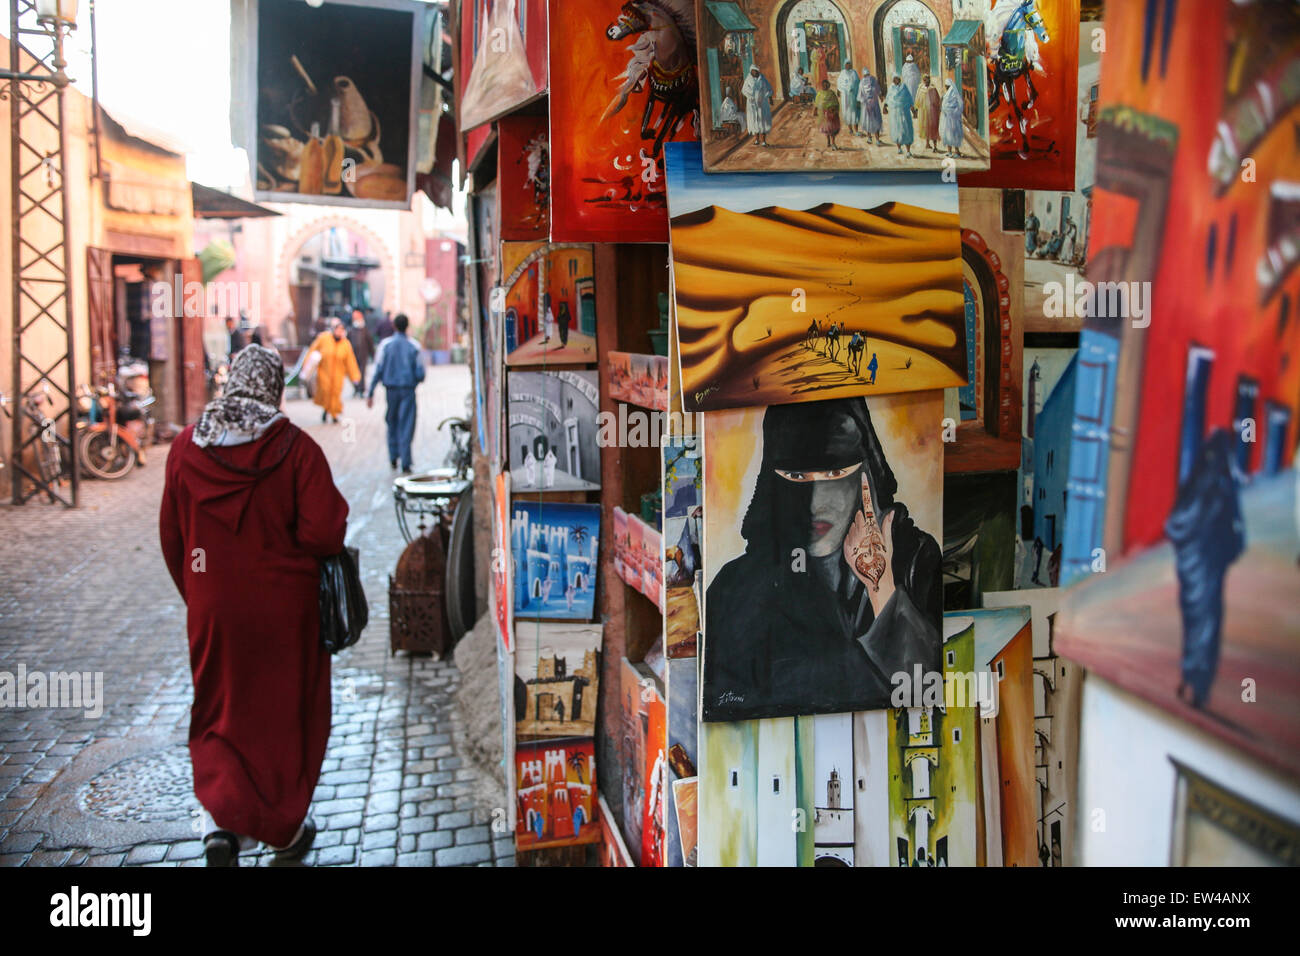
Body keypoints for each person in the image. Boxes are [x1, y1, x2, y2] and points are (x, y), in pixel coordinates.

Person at [159, 344, 347, 866]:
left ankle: (220, 828)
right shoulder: (295, 448)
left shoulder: (184, 448)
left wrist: (201, 597)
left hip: (215, 611)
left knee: (221, 711)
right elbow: (324, 532)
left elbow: (175, 542)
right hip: (285, 614)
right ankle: (283, 831)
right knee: (282, 716)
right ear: (274, 388)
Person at [702, 398, 942, 721]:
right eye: (797, 477)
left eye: (833, 473)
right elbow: (728, 708)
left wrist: (882, 589)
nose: (815, 502)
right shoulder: (735, 590)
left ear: (866, 476)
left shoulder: (914, 563)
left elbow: (926, 691)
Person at [1166, 429, 1245, 710]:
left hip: (1202, 567)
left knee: (1201, 625)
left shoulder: (1209, 487)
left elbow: (1177, 524)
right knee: (1202, 625)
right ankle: (1194, 680)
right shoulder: (1217, 489)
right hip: (1203, 567)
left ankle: (1196, 683)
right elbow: (1177, 523)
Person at [367, 313, 425, 472]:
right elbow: (421, 373)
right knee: (406, 424)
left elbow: (377, 370)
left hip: (391, 391)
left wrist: (370, 392)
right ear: (407, 326)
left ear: (394, 326)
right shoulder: (414, 346)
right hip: (407, 390)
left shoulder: (385, 345)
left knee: (392, 422)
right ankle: (405, 461)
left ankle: (393, 457)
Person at [307, 318, 361, 424]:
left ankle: (334, 414)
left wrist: (355, 376)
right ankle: (327, 410)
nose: (339, 332)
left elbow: (350, 361)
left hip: (338, 374)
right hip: (324, 372)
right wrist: (307, 366)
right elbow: (312, 350)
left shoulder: (345, 344)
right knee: (326, 391)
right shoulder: (324, 339)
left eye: (341, 330)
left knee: (336, 393)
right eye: (338, 329)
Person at [742, 66, 773, 146]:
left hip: (762, 104)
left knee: (763, 121)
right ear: (751, 71)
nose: (755, 73)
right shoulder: (748, 80)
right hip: (752, 104)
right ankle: (756, 140)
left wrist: (765, 97)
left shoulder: (763, 79)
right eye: (753, 71)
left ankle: (763, 141)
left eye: (756, 71)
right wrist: (750, 97)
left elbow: (770, 90)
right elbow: (744, 90)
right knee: (754, 121)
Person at [346, 309, 374, 398]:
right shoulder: (351, 330)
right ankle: (356, 388)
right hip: (353, 355)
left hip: (363, 355)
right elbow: (347, 343)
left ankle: (361, 389)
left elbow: (370, 343)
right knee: (353, 373)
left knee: (362, 372)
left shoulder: (365, 330)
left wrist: (372, 354)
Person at [886, 75, 915, 157]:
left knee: (907, 130)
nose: (896, 80)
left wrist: (913, 110)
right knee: (896, 130)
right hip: (895, 113)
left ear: (899, 79)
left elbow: (909, 99)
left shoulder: (904, 88)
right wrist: (885, 106)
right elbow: (888, 98)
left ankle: (908, 151)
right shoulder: (891, 88)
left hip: (904, 113)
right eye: (894, 79)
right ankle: (899, 148)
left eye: (897, 79)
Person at [916, 74, 942, 152]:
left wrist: (937, 108)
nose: (927, 81)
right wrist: (917, 108)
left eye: (928, 80)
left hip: (932, 112)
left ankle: (935, 146)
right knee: (926, 127)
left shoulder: (933, 89)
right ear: (923, 81)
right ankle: (927, 143)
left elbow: (937, 100)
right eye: (925, 80)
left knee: (934, 127)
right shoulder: (920, 89)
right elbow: (918, 100)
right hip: (923, 112)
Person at [940, 78, 965, 158]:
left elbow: (960, 105)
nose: (946, 87)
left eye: (947, 86)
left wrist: (955, 113)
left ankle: (957, 152)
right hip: (947, 118)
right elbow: (944, 105)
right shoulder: (946, 95)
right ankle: (949, 151)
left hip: (954, 119)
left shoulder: (955, 95)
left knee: (955, 134)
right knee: (947, 134)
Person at [814, 80, 842, 149]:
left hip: (832, 114)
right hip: (824, 115)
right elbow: (817, 103)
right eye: (824, 85)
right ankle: (828, 141)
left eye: (827, 85)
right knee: (827, 129)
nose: (825, 86)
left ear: (829, 86)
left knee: (832, 129)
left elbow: (836, 103)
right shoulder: (819, 94)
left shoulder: (832, 93)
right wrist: (815, 110)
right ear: (822, 86)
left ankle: (833, 143)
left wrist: (834, 110)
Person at [859, 70, 884, 145]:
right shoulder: (872, 81)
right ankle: (874, 139)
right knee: (872, 121)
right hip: (871, 105)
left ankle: (873, 138)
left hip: (869, 105)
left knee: (871, 121)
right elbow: (878, 90)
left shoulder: (864, 82)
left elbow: (860, 95)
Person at [837, 61, 860, 134]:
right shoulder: (842, 73)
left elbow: (857, 83)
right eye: (846, 64)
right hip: (845, 96)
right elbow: (839, 83)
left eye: (849, 64)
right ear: (844, 65)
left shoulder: (854, 73)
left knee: (854, 112)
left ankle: (856, 130)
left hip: (853, 95)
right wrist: (839, 90)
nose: (848, 66)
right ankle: (850, 129)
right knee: (846, 111)